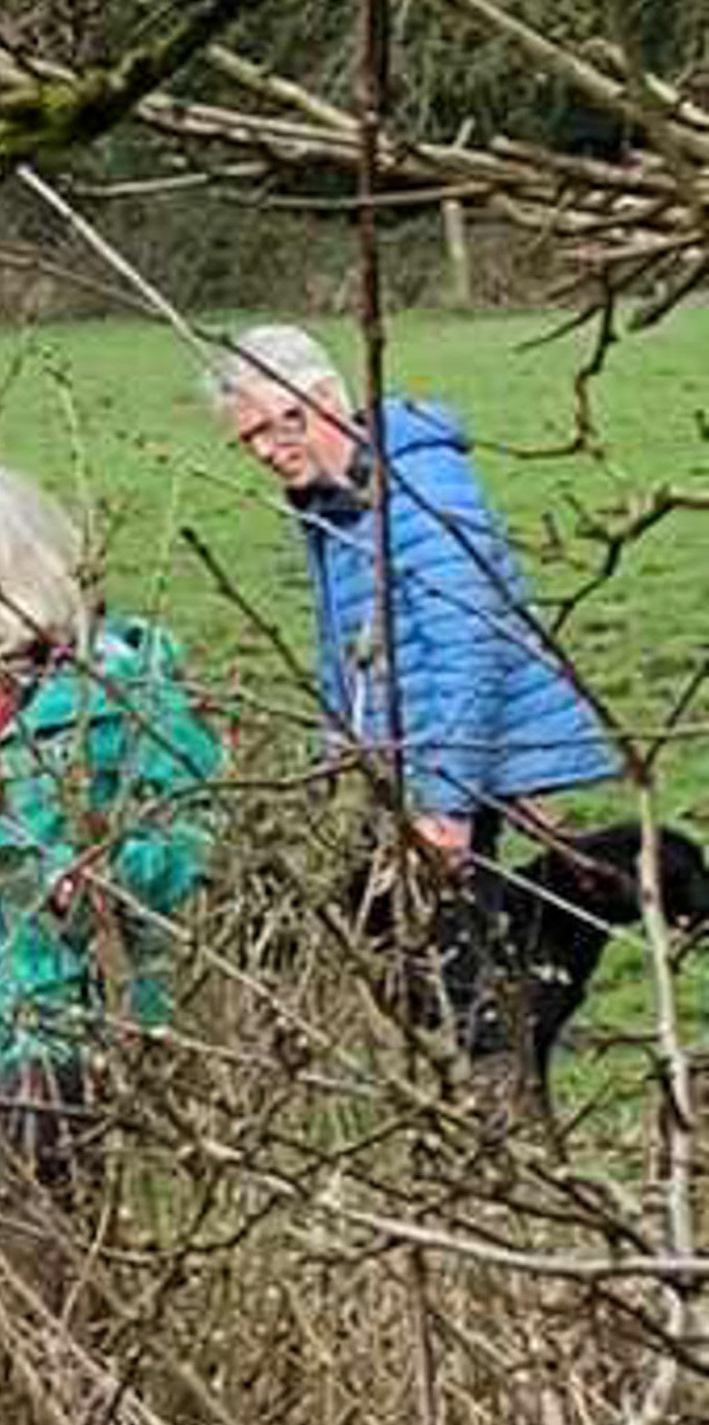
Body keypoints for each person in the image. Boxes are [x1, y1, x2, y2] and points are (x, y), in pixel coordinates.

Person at [208, 323, 622, 1099]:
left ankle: (510, 1092)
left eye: (278, 424)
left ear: (326, 397)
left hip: (446, 761)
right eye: (250, 439)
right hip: (412, 763)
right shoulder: (334, 499)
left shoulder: (414, 486)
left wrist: (446, 808)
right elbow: (358, 649)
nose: (265, 450)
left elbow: (471, 645)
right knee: (393, 938)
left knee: (434, 955)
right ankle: (512, 1047)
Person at [0, 459, 222, 1211]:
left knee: (45, 1223)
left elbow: (193, 835)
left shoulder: (117, 680)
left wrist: (91, 876)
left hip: (79, 1001)